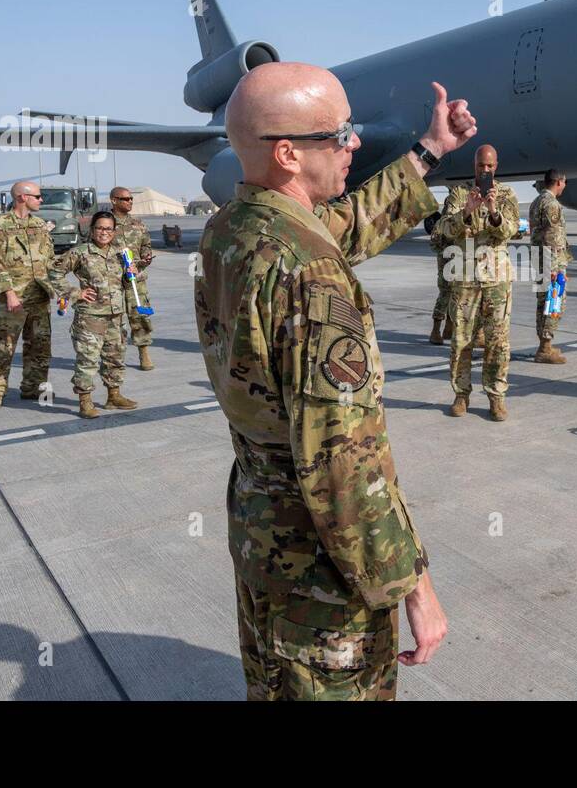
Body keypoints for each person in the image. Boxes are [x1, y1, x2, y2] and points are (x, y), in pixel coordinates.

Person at [195, 62, 470, 700]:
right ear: (288, 153)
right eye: (338, 133)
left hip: (263, 531)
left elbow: (339, 229)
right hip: (322, 561)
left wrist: (428, 153)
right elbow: (342, 462)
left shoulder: (235, 230)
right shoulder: (310, 275)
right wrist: (412, 585)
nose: (354, 143)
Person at [437, 144, 520, 420]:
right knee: (461, 342)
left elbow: (510, 231)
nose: (485, 170)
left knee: (498, 342)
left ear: (496, 166)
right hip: (465, 280)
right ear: (474, 166)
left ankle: (496, 397)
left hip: (496, 280)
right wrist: (467, 212)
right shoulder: (459, 194)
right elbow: (445, 229)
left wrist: (494, 210)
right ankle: (461, 396)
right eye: (480, 165)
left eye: (489, 166)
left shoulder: (506, 194)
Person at [49, 211, 138, 418]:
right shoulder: (81, 252)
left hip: (115, 316)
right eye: (99, 228)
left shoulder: (120, 253)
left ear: (114, 232)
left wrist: (131, 272)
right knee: (88, 360)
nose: (104, 232)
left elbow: (125, 284)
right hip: (90, 317)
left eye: (108, 228)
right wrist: (75, 293)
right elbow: (55, 272)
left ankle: (113, 396)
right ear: (92, 230)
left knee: (115, 358)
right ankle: (85, 401)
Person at [0, 180, 54, 410]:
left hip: (40, 297)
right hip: (15, 298)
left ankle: (32, 387)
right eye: (38, 196)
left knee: (39, 346)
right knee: (6, 346)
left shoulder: (40, 225)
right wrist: (9, 293)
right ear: (23, 197)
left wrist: (59, 289)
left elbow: (50, 261)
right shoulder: (1, 224)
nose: (41, 200)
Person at [108, 186, 156, 371]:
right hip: (113, 281)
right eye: (125, 199)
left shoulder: (138, 224)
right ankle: (115, 357)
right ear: (114, 200)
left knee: (140, 316)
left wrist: (141, 263)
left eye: (131, 199)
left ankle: (144, 353)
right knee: (114, 320)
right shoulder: (105, 223)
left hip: (136, 280)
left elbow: (147, 247)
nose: (130, 202)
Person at [528, 168, 572, 364]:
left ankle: (543, 344)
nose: (565, 186)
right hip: (550, 260)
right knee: (554, 301)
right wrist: (556, 268)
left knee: (542, 302)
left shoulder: (537, 202)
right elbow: (553, 237)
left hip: (539, 258)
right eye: (565, 182)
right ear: (559, 182)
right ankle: (545, 348)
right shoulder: (552, 204)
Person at [425, 210, 453, 346]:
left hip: (458, 253)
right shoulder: (455, 201)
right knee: (446, 292)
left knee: (457, 293)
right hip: (447, 255)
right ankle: (435, 331)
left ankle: (449, 329)